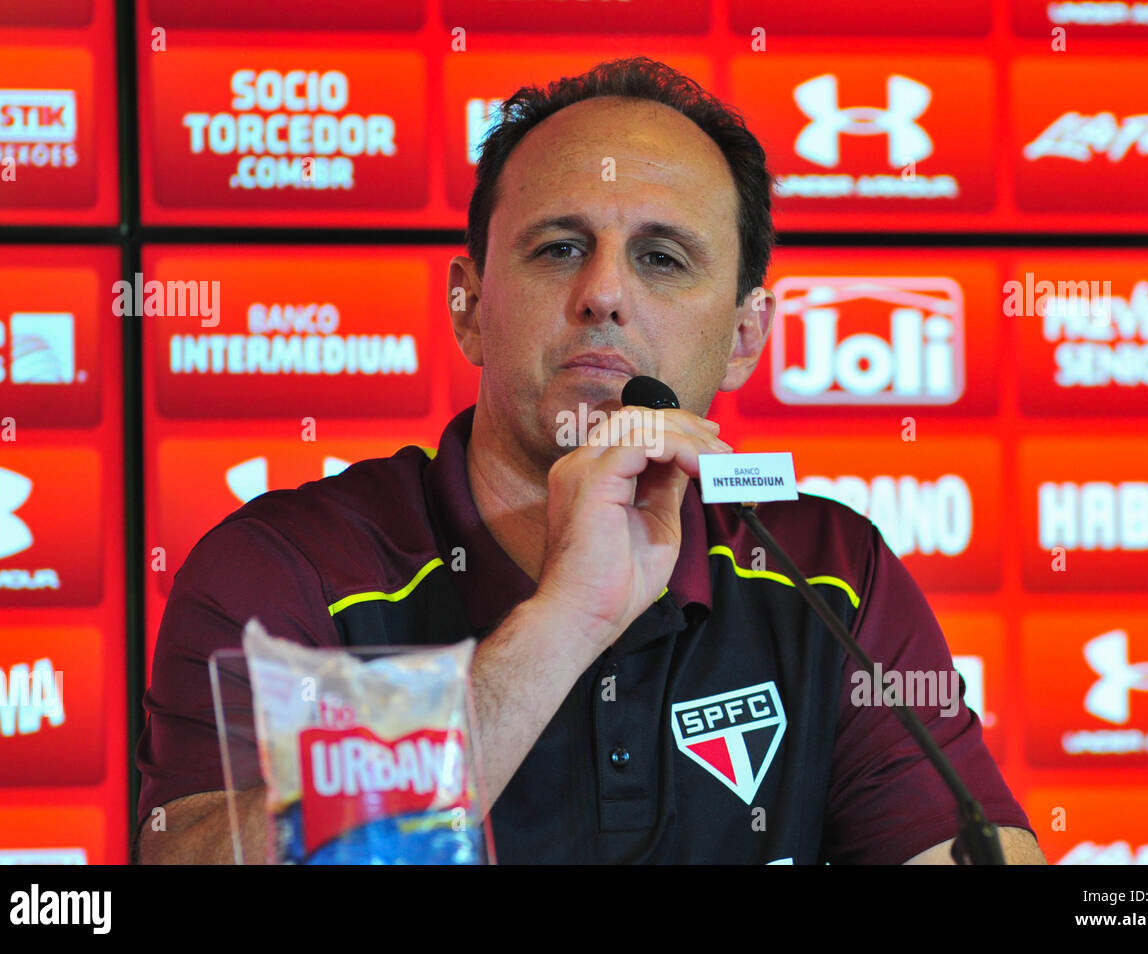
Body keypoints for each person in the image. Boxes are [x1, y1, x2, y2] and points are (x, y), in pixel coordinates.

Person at [134, 57, 1043, 865]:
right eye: (560, 247)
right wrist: (563, 621)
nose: (603, 292)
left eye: (663, 257)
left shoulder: (827, 577)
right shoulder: (291, 568)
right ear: (467, 304)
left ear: (742, 337)